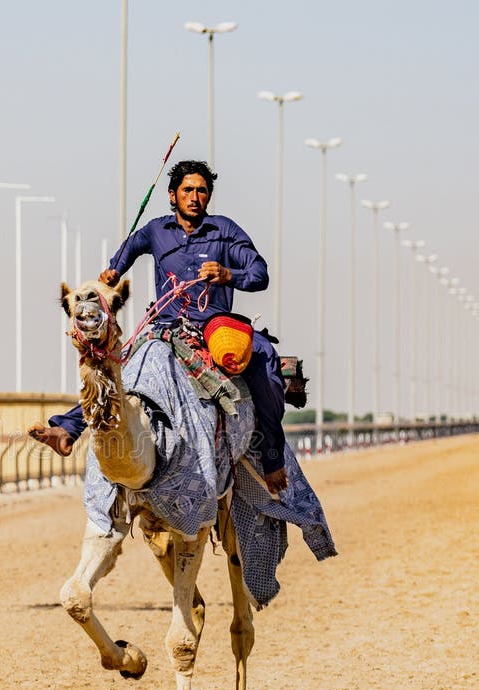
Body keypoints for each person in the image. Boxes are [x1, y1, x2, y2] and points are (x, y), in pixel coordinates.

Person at [29, 160, 289, 493]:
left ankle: (272, 459)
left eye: (201, 191)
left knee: (265, 359)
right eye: (187, 190)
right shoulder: (156, 230)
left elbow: (259, 274)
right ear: (172, 195)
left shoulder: (225, 230)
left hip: (216, 329)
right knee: (118, 367)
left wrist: (228, 274)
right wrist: (114, 270)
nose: (195, 197)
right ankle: (67, 430)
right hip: (165, 327)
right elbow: (130, 248)